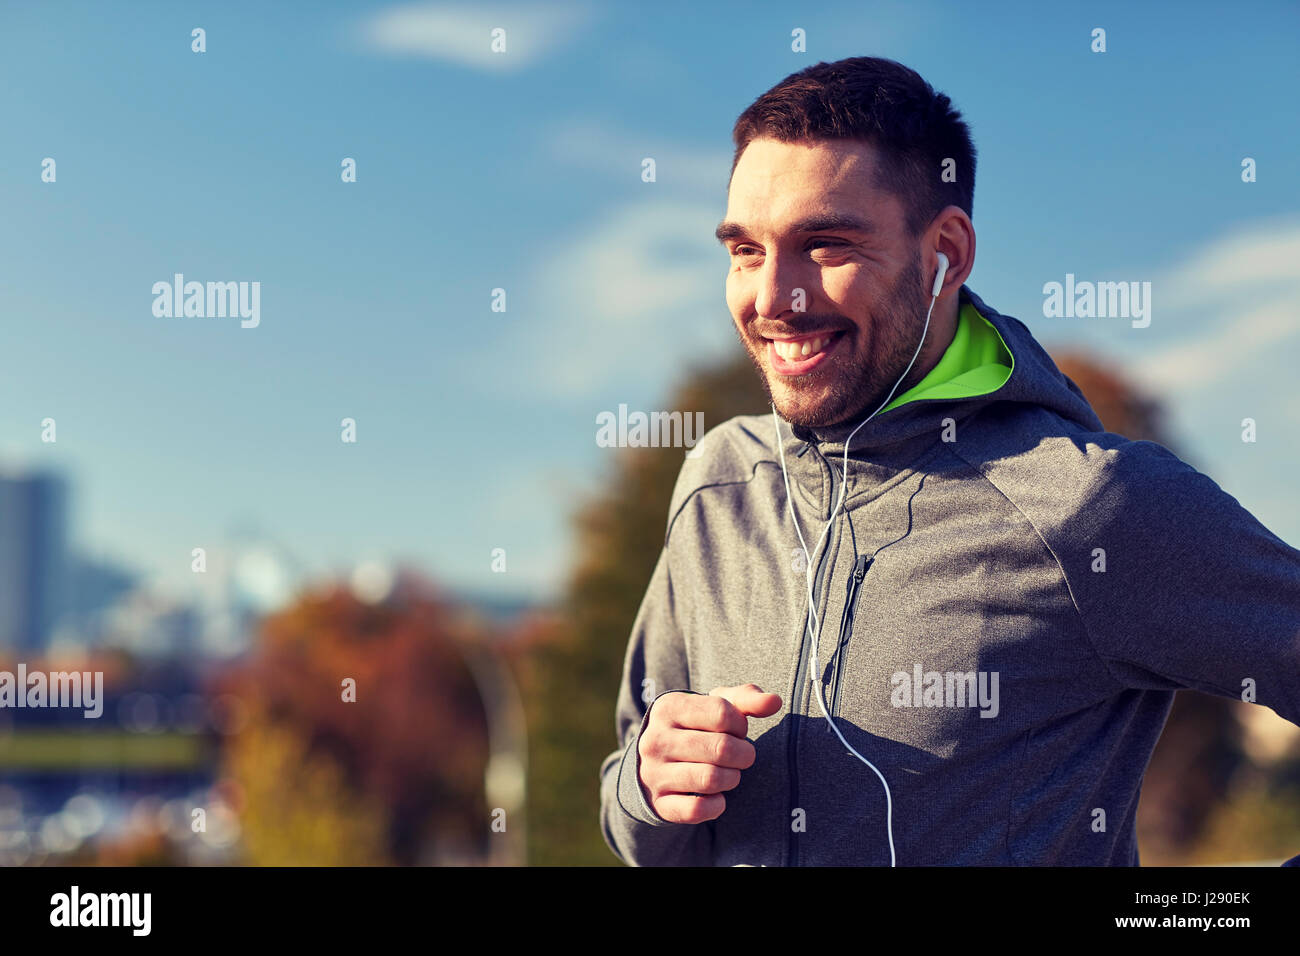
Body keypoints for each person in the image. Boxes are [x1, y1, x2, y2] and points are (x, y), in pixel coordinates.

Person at [597, 56, 1300, 866]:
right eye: (745, 251)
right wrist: (651, 789)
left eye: (823, 245)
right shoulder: (719, 481)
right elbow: (637, 821)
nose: (771, 298)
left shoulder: (1091, 504)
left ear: (946, 253)